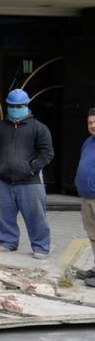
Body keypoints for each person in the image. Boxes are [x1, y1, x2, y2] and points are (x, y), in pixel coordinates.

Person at [0, 88, 54, 259]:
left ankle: (41, 247)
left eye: (20, 106)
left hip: (30, 181)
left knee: (36, 216)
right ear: (7, 106)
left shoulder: (39, 128)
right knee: (2, 215)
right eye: (12, 106)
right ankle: (8, 242)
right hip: (2, 180)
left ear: (27, 105)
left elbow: (47, 153)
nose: (16, 109)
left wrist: (32, 168)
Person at [75, 108, 95, 285]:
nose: (93, 125)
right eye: (90, 122)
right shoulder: (88, 142)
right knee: (93, 234)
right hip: (87, 197)